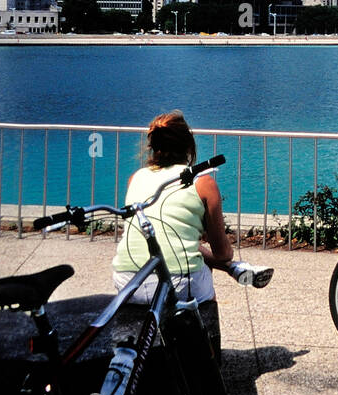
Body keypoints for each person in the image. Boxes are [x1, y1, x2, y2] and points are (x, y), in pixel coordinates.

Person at [112, 110, 272, 304]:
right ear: (189, 146)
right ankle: (233, 270)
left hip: (127, 281)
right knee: (203, 288)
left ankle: (237, 269)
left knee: (186, 245)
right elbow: (222, 253)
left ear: (152, 146)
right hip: (177, 281)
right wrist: (224, 254)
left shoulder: (135, 178)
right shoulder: (203, 183)